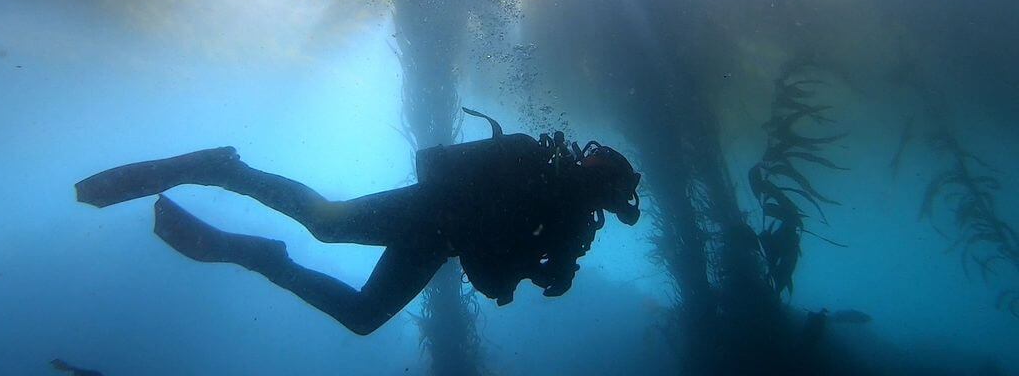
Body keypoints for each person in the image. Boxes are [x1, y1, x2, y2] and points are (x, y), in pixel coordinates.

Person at [75, 108, 641, 335]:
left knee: (364, 317)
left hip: (437, 241)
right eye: (607, 187)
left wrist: (541, 270)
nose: (602, 199)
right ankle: (225, 170)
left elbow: (493, 276)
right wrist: (485, 236)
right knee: (327, 222)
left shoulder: (567, 226)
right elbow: (436, 165)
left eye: (609, 193)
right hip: (431, 212)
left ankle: (262, 257)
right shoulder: (529, 162)